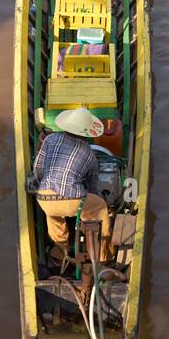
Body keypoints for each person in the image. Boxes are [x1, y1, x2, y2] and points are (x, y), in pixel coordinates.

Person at [32, 107, 112, 266]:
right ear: (86, 133)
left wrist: (48, 185)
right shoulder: (89, 154)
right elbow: (92, 187)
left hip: (43, 198)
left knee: (53, 214)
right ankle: (103, 255)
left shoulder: (50, 139)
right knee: (101, 207)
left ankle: (61, 251)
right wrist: (94, 203)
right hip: (72, 200)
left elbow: (39, 170)